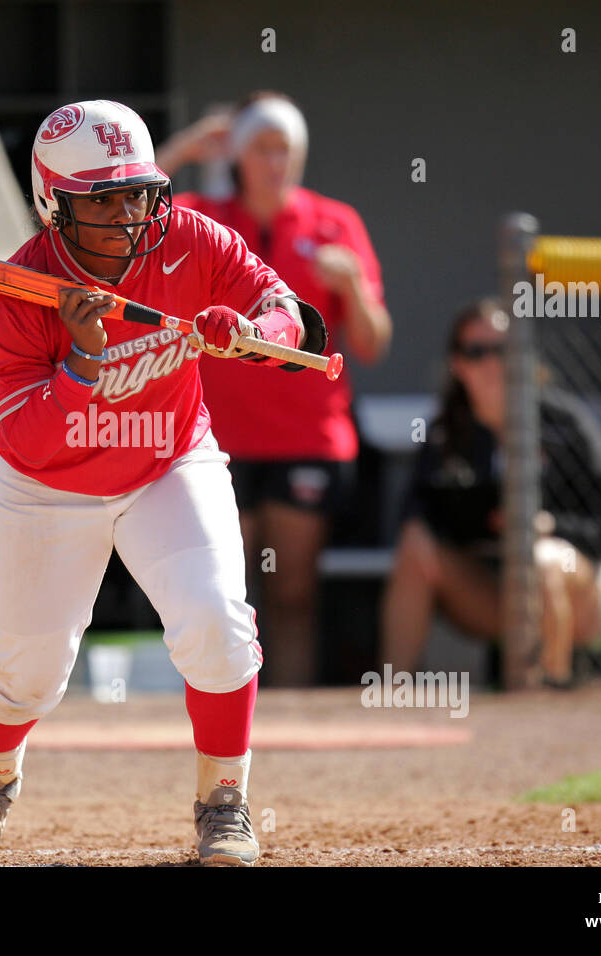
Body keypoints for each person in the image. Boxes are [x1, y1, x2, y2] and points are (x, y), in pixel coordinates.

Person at [0, 99, 329, 865]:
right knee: (29, 669)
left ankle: (224, 801)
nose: (126, 217)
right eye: (102, 199)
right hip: (48, 486)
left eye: (137, 194)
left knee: (218, 623)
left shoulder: (189, 240)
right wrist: (82, 361)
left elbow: (285, 310)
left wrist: (255, 335)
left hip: (167, 461)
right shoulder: (20, 290)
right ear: (53, 205)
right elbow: (32, 439)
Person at [158, 93, 392, 686]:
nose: (275, 161)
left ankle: (290, 720)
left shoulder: (335, 224)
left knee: (292, 596)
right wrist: (184, 148)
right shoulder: (203, 215)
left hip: (304, 440)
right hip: (213, 442)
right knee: (219, 597)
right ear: (239, 154)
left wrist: (356, 289)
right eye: (262, 147)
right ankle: (224, 720)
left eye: (285, 148)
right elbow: (127, 220)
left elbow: (372, 343)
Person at [380, 298, 601, 686]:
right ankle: (393, 693)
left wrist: (553, 526)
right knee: (416, 547)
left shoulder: (564, 423)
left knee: (545, 558)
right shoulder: (447, 434)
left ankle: (549, 692)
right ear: (458, 365)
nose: (491, 363)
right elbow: (417, 521)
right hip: (498, 592)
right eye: (476, 351)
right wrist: (483, 519)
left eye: (503, 350)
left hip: (586, 586)